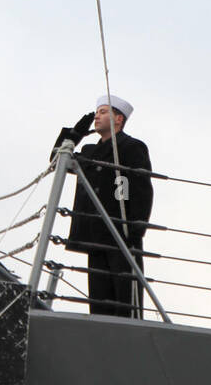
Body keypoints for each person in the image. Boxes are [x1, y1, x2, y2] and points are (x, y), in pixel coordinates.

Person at [52, 96, 153, 318]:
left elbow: (140, 188)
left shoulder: (131, 147)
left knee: (126, 301)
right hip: (93, 233)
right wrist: (74, 135)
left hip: (120, 233)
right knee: (99, 302)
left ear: (118, 119)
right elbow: (55, 161)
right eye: (97, 111)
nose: (97, 116)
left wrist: (134, 228)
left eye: (103, 112)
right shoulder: (89, 151)